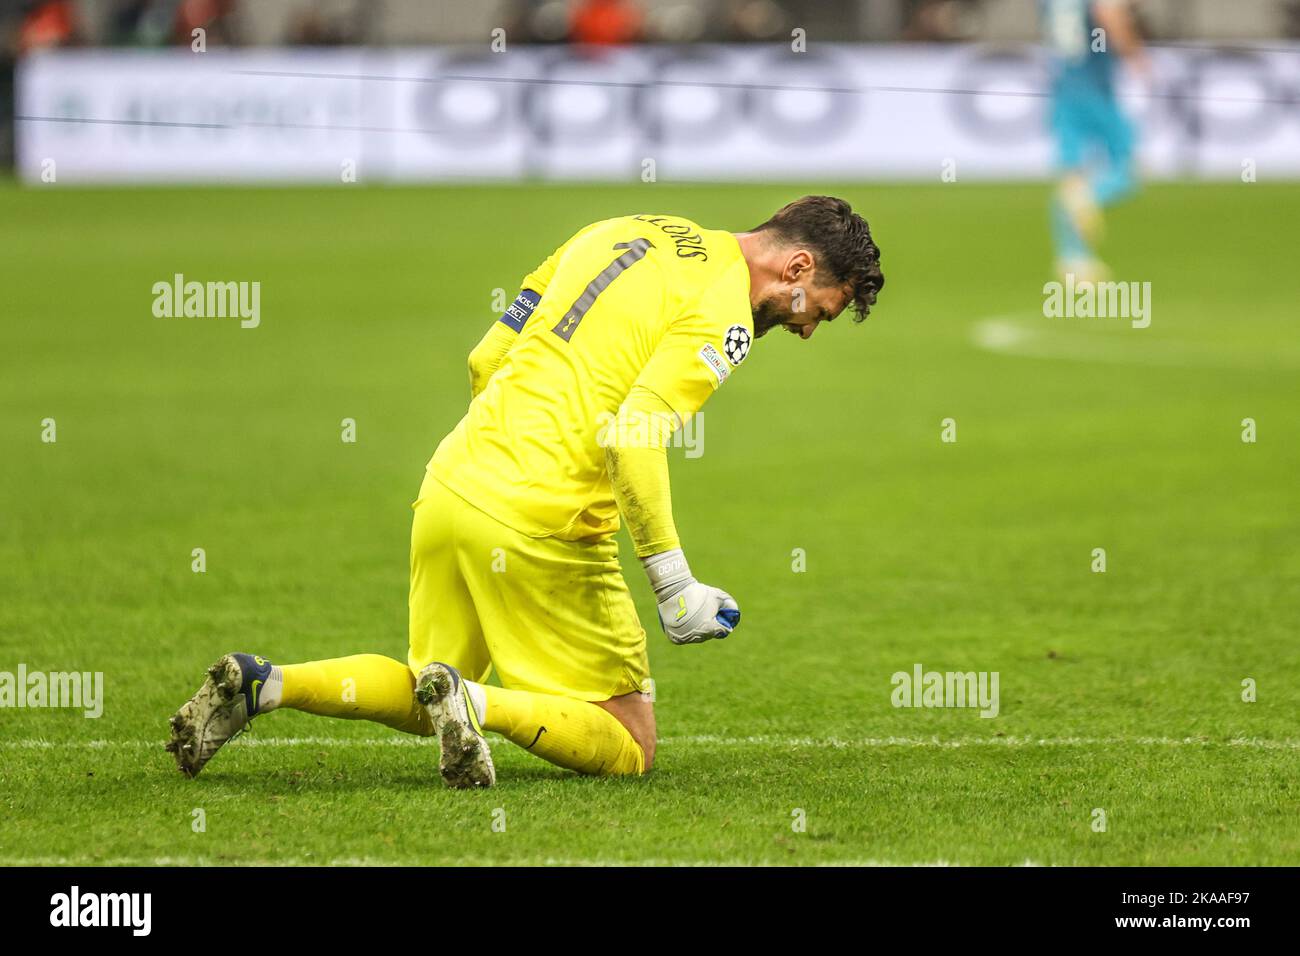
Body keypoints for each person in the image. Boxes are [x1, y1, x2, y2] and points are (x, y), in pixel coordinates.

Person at [167, 196, 884, 787]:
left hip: (455, 477)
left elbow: (487, 355)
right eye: (820, 308)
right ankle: (475, 703)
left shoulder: (627, 228)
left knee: (425, 689)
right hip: (541, 516)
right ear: (797, 265)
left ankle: (267, 684)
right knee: (631, 742)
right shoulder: (725, 313)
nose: (807, 329)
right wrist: (674, 586)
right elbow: (633, 435)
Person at [1041, 0, 1149, 278]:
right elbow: (1107, 10)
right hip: (1095, 88)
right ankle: (1085, 199)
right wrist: (1134, 55)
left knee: (1073, 176)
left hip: (1064, 85)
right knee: (1126, 171)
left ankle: (1073, 259)